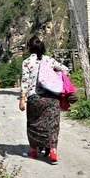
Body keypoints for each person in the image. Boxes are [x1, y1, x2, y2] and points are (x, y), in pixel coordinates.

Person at [18, 35, 69, 164]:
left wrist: (22, 99)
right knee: (52, 125)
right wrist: (56, 78)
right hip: (52, 98)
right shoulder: (49, 60)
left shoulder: (27, 62)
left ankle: (33, 151)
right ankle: (53, 153)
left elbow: (25, 81)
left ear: (29, 48)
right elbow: (65, 69)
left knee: (33, 124)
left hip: (35, 98)